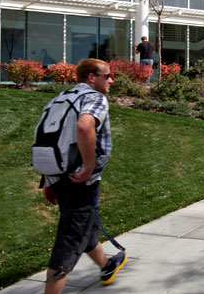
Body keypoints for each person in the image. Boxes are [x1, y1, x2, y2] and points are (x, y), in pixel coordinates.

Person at [42, 59, 126, 294]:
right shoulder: (94, 98)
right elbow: (84, 126)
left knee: (83, 227)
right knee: (68, 242)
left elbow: (50, 139)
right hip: (81, 180)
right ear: (91, 77)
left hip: (58, 177)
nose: (111, 80)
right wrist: (88, 166)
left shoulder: (59, 99)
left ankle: (107, 264)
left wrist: (48, 182)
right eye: (107, 75)